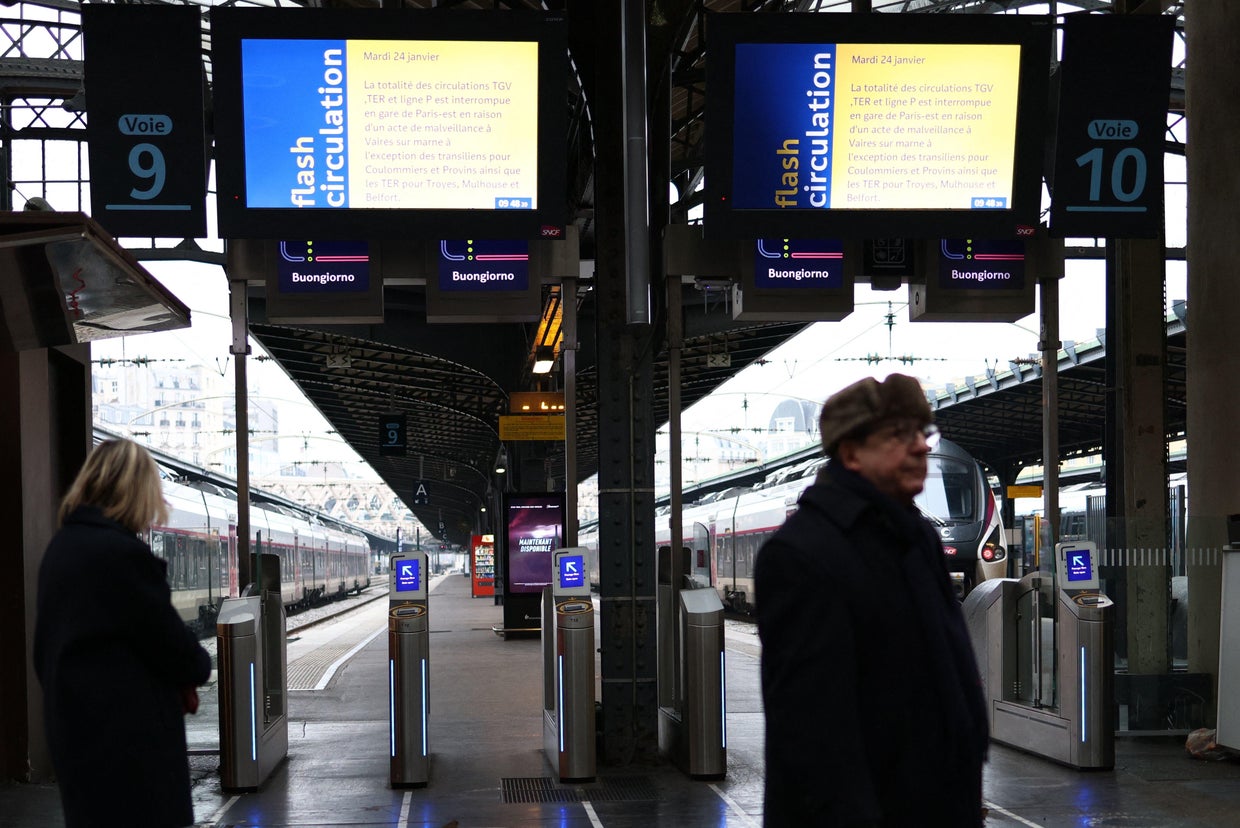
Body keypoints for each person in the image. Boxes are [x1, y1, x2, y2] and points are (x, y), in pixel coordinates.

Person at [754, 374, 988, 827]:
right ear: (851, 452)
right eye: (900, 436)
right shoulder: (802, 554)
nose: (921, 447)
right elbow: (815, 738)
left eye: (924, 433)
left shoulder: (915, 536)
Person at [34, 439, 211, 828]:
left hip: (75, 739)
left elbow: (42, 652)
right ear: (137, 491)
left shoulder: (60, 549)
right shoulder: (122, 555)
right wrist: (196, 663)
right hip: (130, 752)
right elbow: (182, 654)